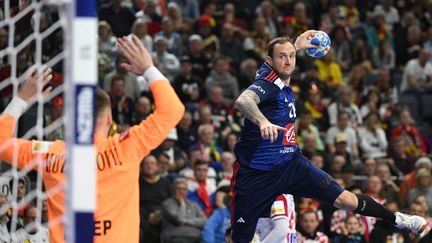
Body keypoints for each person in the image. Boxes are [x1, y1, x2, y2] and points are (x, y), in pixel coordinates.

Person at [230, 32, 426, 243]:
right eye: (282, 56)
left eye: (291, 56)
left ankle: (401, 220)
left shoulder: (278, 74)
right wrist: (263, 121)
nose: (288, 61)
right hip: (255, 175)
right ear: (270, 61)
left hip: (291, 164)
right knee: (241, 239)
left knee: (345, 199)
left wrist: (297, 46)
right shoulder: (268, 82)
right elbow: (244, 100)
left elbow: (284, 65)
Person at [0, 35, 185, 243]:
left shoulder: (50, 153)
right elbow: (173, 110)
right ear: (109, 118)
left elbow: (2, 142)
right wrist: (149, 69)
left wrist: (22, 99)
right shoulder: (127, 146)